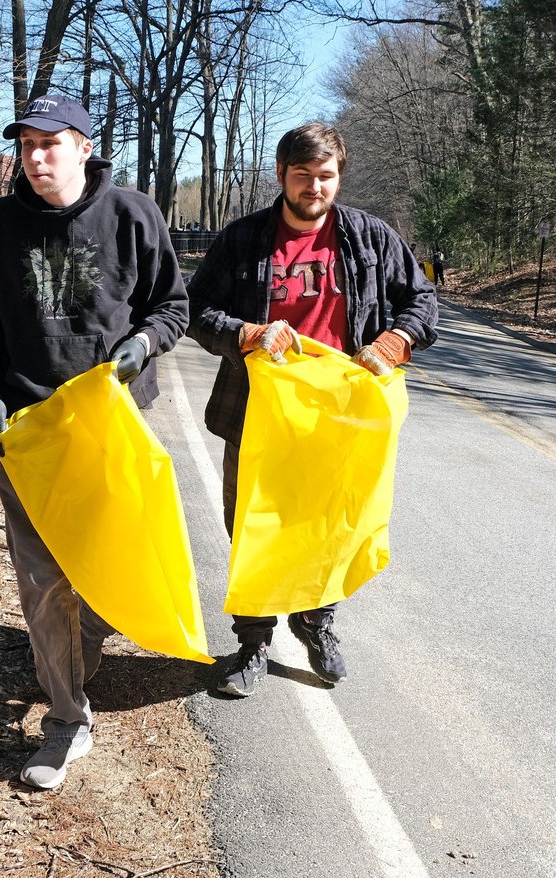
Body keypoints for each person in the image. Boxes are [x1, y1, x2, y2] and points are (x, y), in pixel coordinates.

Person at [0, 94, 189, 787]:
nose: (35, 157)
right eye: (25, 145)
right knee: (42, 581)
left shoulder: (131, 214)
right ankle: (65, 720)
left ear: (83, 147)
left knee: (103, 571)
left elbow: (171, 305)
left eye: (49, 143)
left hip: (108, 426)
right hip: (31, 430)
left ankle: (80, 641)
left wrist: (142, 346)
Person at [187, 122, 439, 697]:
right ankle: (253, 643)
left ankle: (317, 622)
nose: (314, 187)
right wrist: (247, 331)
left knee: (329, 527)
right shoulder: (244, 239)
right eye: (302, 176)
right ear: (281, 175)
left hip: (340, 419)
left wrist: (395, 341)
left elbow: (421, 301)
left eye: (325, 176)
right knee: (254, 528)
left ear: (339, 177)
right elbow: (196, 308)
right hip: (259, 414)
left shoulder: (373, 239)